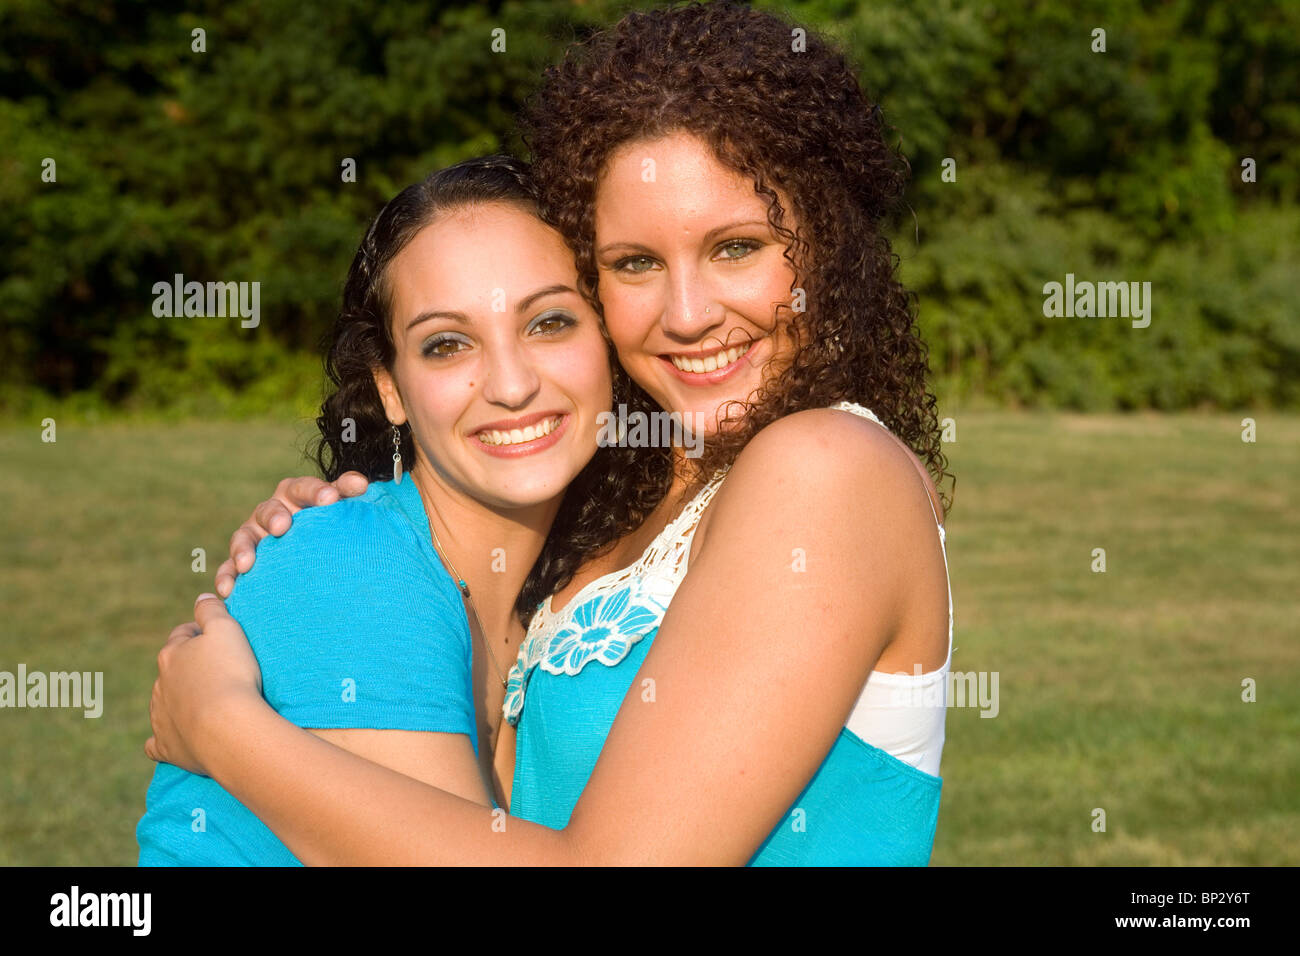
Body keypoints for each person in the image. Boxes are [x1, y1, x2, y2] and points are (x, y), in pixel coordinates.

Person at [146, 1, 955, 865]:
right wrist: (335, 534)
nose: (687, 315)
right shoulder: (623, 499)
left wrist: (224, 726)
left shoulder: (825, 465)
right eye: (635, 263)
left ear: (826, 240)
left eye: (736, 248)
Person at [137, 155, 633, 862]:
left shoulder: (565, 596)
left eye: (549, 322)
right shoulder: (351, 562)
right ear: (392, 390)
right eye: (448, 344)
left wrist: (219, 722)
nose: (513, 384)